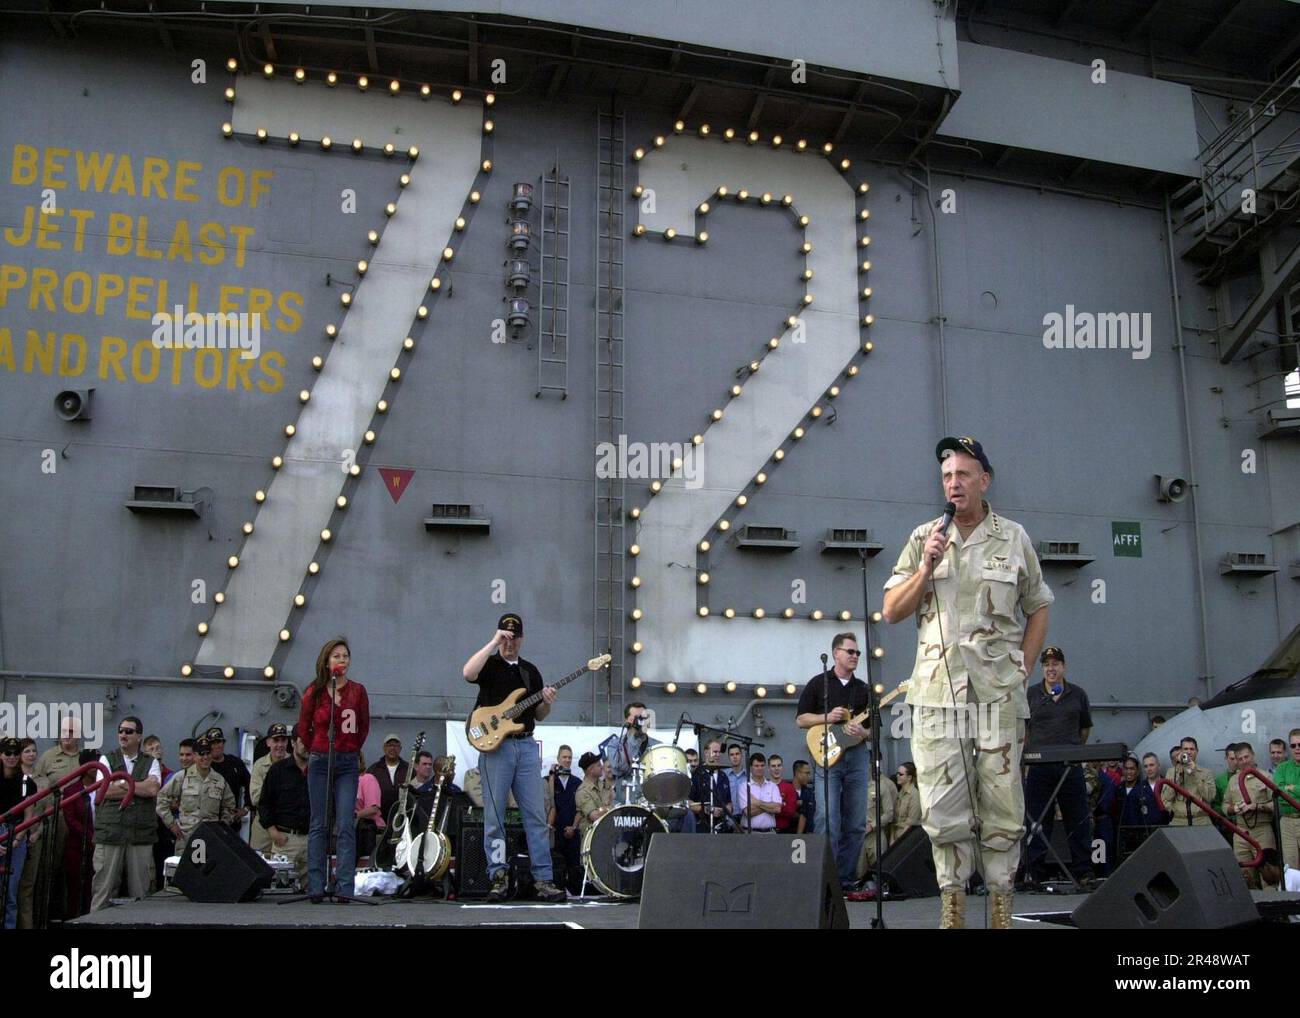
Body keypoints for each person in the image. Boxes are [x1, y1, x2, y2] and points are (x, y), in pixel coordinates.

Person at [883, 436, 1053, 929]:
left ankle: (1000, 914)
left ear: (985, 480)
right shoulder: (922, 538)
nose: (953, 483)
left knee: (1003, 810)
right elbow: (892, 611)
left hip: (997, 697)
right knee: (942, 811)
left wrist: (1022, 665)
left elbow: (1039, 605)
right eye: (946, 476)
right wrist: (926, 568)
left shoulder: (1013, 538)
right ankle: (952, 915)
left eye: (962, 474)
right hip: (938, 698)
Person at [462, 613, 565, 903]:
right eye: (504, 636)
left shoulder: (530, 672)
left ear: (521, 639)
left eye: (513, 637)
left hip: (526, 745)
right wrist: (493, 642)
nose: (509, 642)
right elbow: (468, 673)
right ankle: (498, 877)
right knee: (495, 816)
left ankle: (543, 880)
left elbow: (538, 716)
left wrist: (546, 703)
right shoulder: (490, 664)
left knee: (535, 815)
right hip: (498, 748)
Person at [796, 632, 871, 893]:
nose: (855, 656)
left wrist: (863, 733)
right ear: (836, 653)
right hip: (827, 757)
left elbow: (874, 730)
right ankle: (824, 878)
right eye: (850, 651)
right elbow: (801, 719)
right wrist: (827, 717)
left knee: (856, 821)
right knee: (827, 815)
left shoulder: (863, 689)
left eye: (857, 653)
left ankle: (846, 879)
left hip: (857, 756)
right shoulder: (820, 684)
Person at [298, 637, 370, 900]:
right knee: (318, 823)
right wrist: (316, 747)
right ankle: (316, 886)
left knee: (345, 823)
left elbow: (363, 726)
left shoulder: (357, 691)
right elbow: (303, 727)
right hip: (320, 760)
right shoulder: (314, 692)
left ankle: (344, 888)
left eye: (345, 656)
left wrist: (349, 746)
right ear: (327, 662)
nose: (342, 660)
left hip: (347, 761)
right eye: (337, 656)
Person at [1023, 646, 1094, 889]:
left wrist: (1070, 750)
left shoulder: (1078, 694)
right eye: (1046, 665)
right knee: (1036, 821)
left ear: (1063, 666)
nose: (1051, 669)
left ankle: (1083, 871)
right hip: (1040, 768)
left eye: (1055, 664)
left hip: (1069, 766)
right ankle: (1035, 872)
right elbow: (1025, 729)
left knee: (1078, 818)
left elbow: (1084, 729)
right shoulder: (1031, 694)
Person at [90, 715, 162, 911]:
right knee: (103, 890)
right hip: (110, 833)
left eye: (129, 731)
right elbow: (103, 791)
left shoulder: (151, 762)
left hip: (140, 834)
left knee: (142, 893)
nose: (123, 735)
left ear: (139, 736)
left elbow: (152, 790)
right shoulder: (106, 758)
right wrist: (137, 786)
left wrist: (122, 784)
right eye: (121, 731)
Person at [155, 737, 237, 855]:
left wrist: (221, 827)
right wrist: (171, 824)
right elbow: (161, 799)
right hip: (186, 837)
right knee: (184, 872)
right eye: (201, 754)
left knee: (209, 871)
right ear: (194, 756)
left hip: (211, 839)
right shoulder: (182, 777)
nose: (205, 757)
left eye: (208, 753)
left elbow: (229, 806)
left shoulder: (219, 780)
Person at [1223, 742, 1279, 890]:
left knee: (1269, 876)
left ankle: (1274, 911)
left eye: (1246, 757)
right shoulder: (1233, 780)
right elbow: (1224, 805)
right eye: (1239, 759)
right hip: (1241, 832)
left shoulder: (1266, 777)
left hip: (1262, 831)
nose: (1243, 761)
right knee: (1244, 877)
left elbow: (1277, 805)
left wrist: (1256, 806)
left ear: (1253, 755)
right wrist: (1233, 808)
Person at [258, 729, 310, 882]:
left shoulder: (319, 771)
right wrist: (273, 832)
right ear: (293, 743)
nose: (307, 746)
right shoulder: (278, 770)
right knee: (282, 888)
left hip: (312, 840)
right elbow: (264, 803)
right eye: (303, 742)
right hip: (286, 840)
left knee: (313, 891)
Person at [1, 737, 38, 929]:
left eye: (16, 753)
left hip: (17, 833)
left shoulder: (26, 782)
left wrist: (16, 840)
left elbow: (29, 816)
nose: (12, 757)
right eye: (8, 753)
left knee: (10, 893)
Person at [1102, 756, 1166, 864]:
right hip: (1120, 837)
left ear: (1137, 771)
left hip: (1139, 837)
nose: (1129, 772)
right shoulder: (1118, 789)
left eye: (1132, 769)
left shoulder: (1144, 790)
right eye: (1126, 769)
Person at [249, 722, 291, 853]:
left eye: (283, 740)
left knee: (285, 866)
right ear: (268, 742)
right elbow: (255, 797)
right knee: (258, 862)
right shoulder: (259, 765)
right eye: (275, 740)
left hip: (286, 824)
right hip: (263, 826)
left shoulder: (294, 764)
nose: (279, 745)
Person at [1160, 736, 1217, 826]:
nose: (1189, 752)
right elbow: (1165, 799)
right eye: (1185, 749)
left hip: (1201, 820)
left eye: (1192, 749)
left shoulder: (1206, 772)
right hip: (1179, 820)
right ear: (1181, 752)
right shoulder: (1171, 772)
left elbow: (1210, 797)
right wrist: (1178, 773)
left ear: (1197, 751)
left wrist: (1195, 773)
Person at [547, 746, 582, 877]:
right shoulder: (548, 780)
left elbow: (580, 809)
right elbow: (550, 802)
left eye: (570, 757)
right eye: (564, 757)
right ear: (558, 759)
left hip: (572, 832)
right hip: (554, 832)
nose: (567, 760)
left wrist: (573, 827)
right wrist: (552, 776)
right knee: (555, 866)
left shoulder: (577, 782)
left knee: (573, 867)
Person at [608, 702, 652, 803]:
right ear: (627, 720)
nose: (642, 721)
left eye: (644, 718)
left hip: (650, 803)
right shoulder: (615, 744)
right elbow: (618, 769)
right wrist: (633, 738)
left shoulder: (656, 746)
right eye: (637, 718)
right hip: (625, 801)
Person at [689, 738, 732, 833]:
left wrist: (725, 810)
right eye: (715, 751)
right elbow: (689, 802)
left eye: (719, 752)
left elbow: (729, 802)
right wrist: (706, 809)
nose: (718, 755)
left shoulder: (723, 776)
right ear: (706, 752)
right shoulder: (697, 774)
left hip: (722, 826)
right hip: (702, 825)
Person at [1273, 729, 1300, 877]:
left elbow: (1285, 791)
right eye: (1293, 745)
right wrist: (1296, 789)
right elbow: (1279, 794)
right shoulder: (1282, 768)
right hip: (1287, 821)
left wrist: (1290, 788)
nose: (1297, 749)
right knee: (1290, 867)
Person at [366, 734, 409, 827]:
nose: (392, 748)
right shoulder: (373, 770)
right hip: (379, 821)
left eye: (396, 745)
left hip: (403, 820)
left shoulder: (408, 769)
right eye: (389, 745)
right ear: (384, 748)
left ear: (400, 749)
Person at [735, 753, 781, 831]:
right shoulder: (744, 787)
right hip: (750, 832)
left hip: (770, 833)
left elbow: (777, 808)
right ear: (751, 767)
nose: (760, 768)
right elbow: (748, 812)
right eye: (756, 766)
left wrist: (757, 803)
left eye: (762, 765)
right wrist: (769, 806)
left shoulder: (773, 786)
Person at [355, 751, 385, 864]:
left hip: (371, 831)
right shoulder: (342, 783)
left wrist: (353, 816)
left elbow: (373, 809)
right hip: (353, 832)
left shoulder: (367, 778)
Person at [575, 753, 614, 837]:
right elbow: (595, 816)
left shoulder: (605, 785)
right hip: (592, 839)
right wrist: (610, 808)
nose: (602, 767)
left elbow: (615, 802)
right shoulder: (582, 792)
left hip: (609, 835)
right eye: (599, 765)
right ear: (591, 770)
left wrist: (604, 809)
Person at [768, 755, 800, 834]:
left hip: (784, 830)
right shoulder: (764, 786)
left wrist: (769, 806)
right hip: (767, 830)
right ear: (768, 768)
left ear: (782, 767)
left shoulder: (789, 788)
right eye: (773, 766)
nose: (776, 768)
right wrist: (782, 804)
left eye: (779, 765)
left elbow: (791, 812)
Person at [892, 762, 921, 844]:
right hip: (896, 837)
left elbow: (911, 823)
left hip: (906, 840)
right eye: (897, 773)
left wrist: (898, 842)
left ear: (909, 777)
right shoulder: (900, 793)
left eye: (901, 774)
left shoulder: (914, 795)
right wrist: (891, 839)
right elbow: (894, 821)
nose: (897, 776)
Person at [1212, 744, 1239, 820]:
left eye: (1237, 758)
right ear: (1226, 758)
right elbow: (1215, 805)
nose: (1236, 762)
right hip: (1227, 822)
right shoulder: (1219, 780)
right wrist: (1227, 810)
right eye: (1232, 759)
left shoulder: (1249, 776)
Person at [725, 744, 747, 827]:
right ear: (729, 757)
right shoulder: (723, 775)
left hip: (745, 818)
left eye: (737, 754)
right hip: (728, 819)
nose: (735, 757)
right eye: (732, 755)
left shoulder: (749, 777)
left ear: (741, 755)